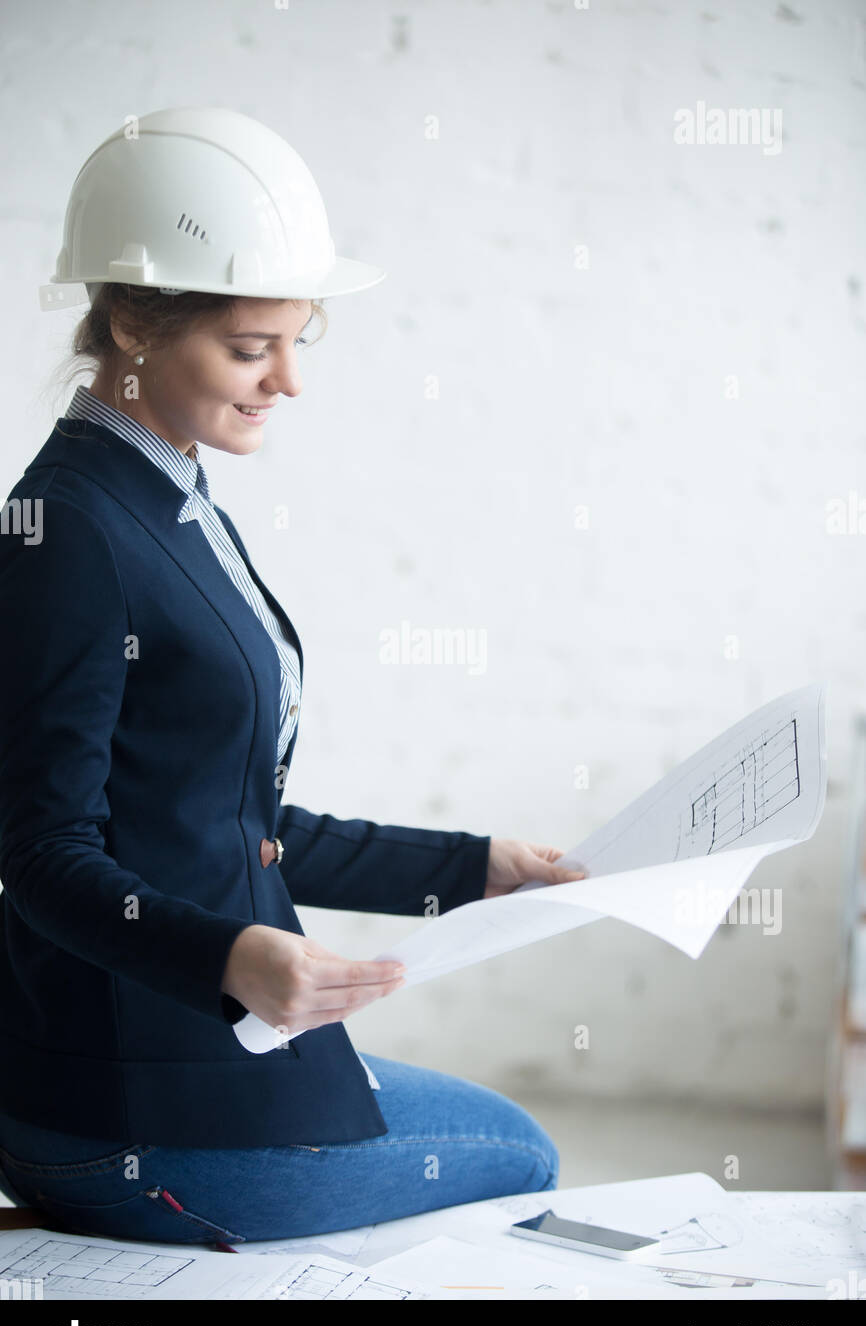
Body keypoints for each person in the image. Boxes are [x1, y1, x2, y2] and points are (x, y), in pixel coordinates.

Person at [0, 107, 583, 1245]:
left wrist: (469, 870)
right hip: (130, 1107)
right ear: (129, 319)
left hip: (182, 1056)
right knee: (522, 1152)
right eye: (249, 347)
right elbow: (34, 854)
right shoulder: (69, 531)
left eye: (296, 339)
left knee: (496, 1137)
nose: (287, 382)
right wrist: (227, 957)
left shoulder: (160, 491)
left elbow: (231, 816)